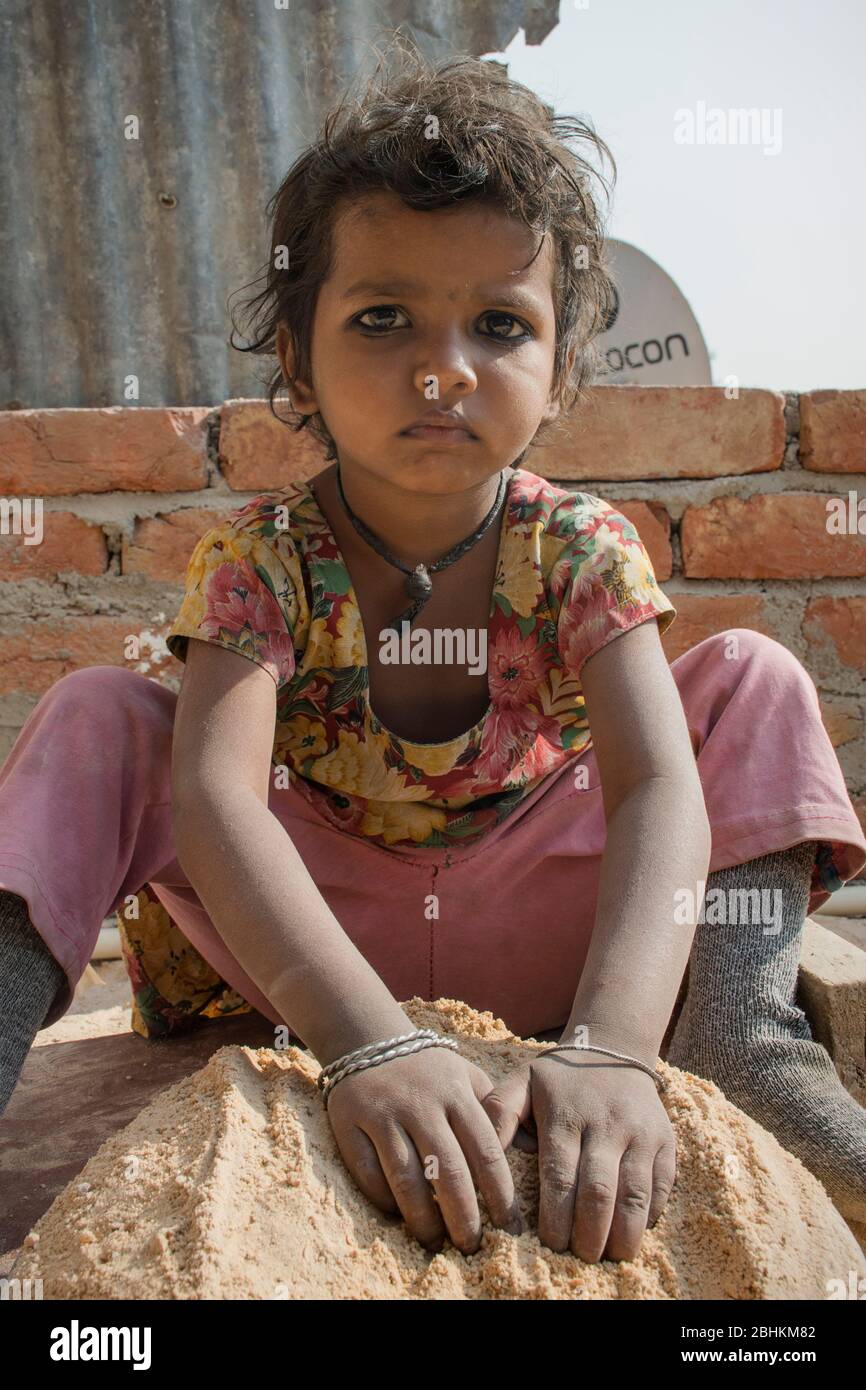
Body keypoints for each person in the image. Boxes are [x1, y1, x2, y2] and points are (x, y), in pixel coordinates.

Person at [1, 40, 864, 1268]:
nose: (444, 365)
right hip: (304, 946)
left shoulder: (577, 545)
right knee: (99, 711)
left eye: (499, 324)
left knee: (751, 681)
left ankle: (743, 1043)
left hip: (549, 927)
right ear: (296, 360)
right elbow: (211, 798)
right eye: (383, 315)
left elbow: (660, 788)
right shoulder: (262, 559)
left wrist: (615, 1046)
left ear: (560, 373)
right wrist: (367, 1041)